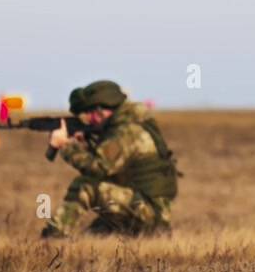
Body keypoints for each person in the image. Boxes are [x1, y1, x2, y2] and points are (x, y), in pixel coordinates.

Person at [40, 80, 178, 238]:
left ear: (101, 110)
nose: (89, 119)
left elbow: (100, 168)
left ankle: (53, 238)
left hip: (148, 212)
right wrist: (83, 144)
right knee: (93, 238)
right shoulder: (129, 125)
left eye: (90, 113)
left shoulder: (126, 132)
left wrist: (65, 146)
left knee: (85, 186)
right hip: (144, 208)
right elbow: (111, 165)